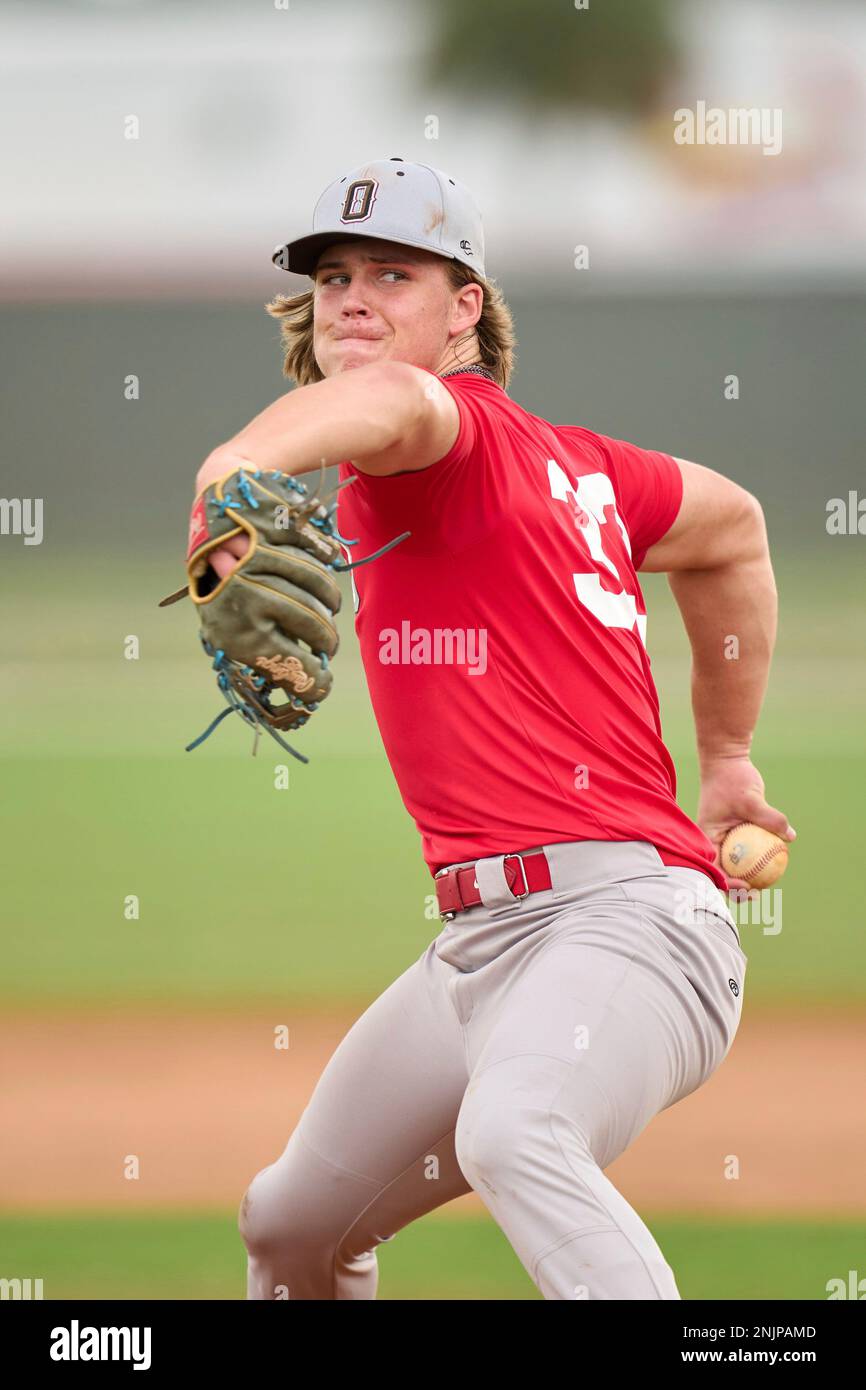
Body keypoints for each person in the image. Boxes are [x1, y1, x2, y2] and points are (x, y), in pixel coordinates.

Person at [195, 157, 794, 1300]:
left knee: (514, 1132)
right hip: (476, 949)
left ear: (465, 306)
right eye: (330, 278)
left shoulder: (437, 425)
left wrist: (227, 469)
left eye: (391, 272)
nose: (351, 299)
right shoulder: (583, 469)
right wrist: (724, 758)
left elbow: (384, 403)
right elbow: (732, 531)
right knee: (290, 1225)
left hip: (629, 924)